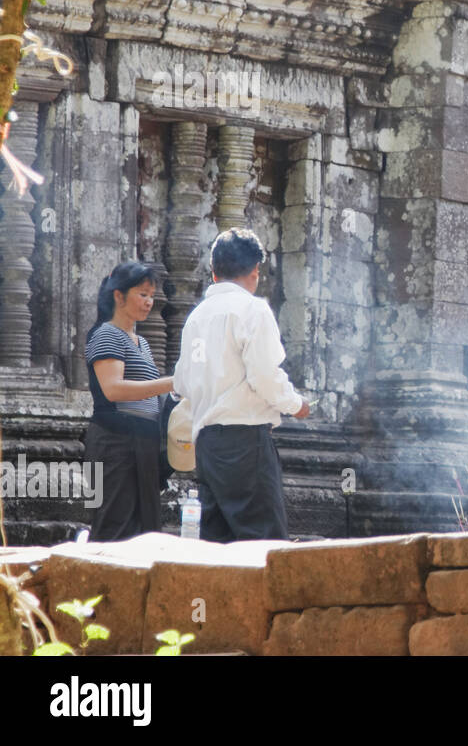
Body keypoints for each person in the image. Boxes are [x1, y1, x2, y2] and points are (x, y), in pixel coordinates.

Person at [172, 228, 309, 542]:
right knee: (262, 543)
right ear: (255, 271)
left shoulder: (196, 317)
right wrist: (296, 405)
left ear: (214, 271)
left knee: (216, 542)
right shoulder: (252, 310)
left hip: (207, 444)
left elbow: (181, 382)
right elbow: (264, 376)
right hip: (246, 442)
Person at [84, 261, 174, 540]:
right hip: (115, 444)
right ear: (118, 296)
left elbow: (149, 393)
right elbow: (114, 390)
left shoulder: (141, 342)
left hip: (142, 443)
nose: (149, 302)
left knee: (144, 531)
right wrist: (174, 381)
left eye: (151, 295)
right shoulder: (106, 334)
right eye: (142, 294)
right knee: (115, 527)